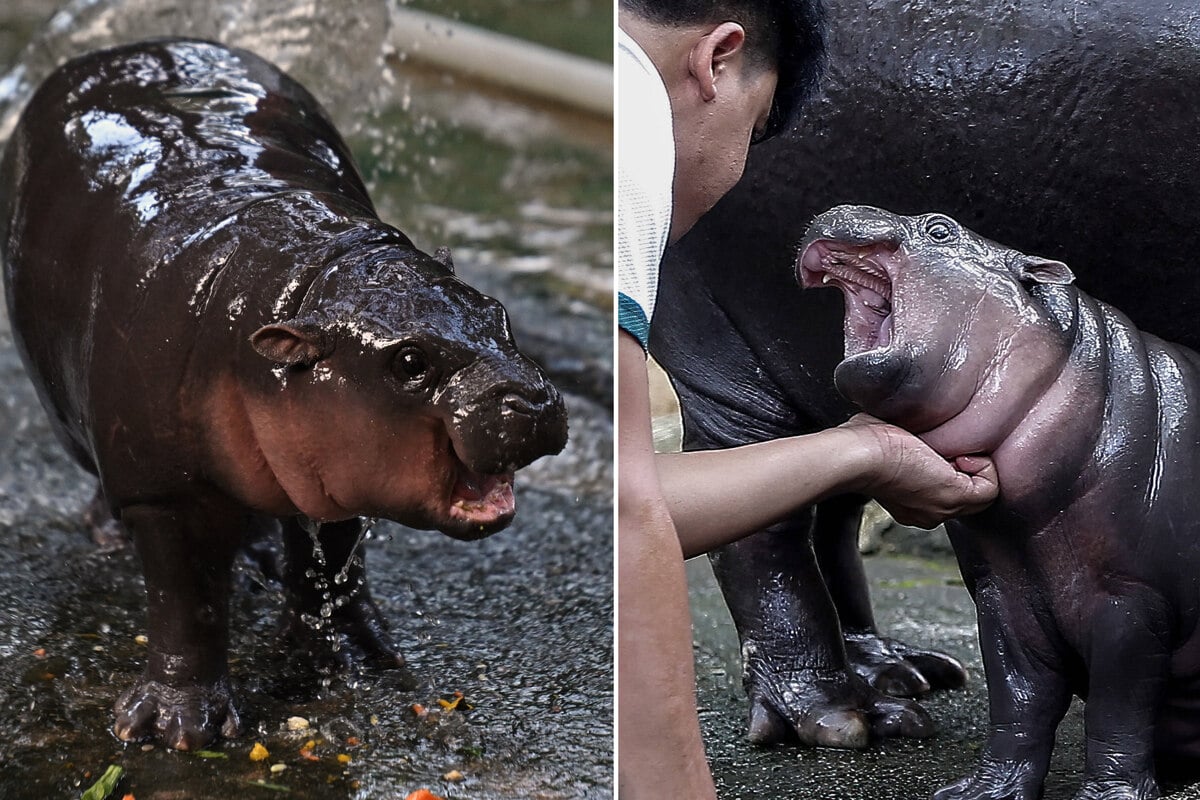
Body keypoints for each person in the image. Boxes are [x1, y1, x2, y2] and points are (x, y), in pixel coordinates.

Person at [615, 1, 1002, 797]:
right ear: (717, 60)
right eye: (754, 133)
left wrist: (865, 449)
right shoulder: (632, 140)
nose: (738, 174)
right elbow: (627, 515)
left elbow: (632, 496)